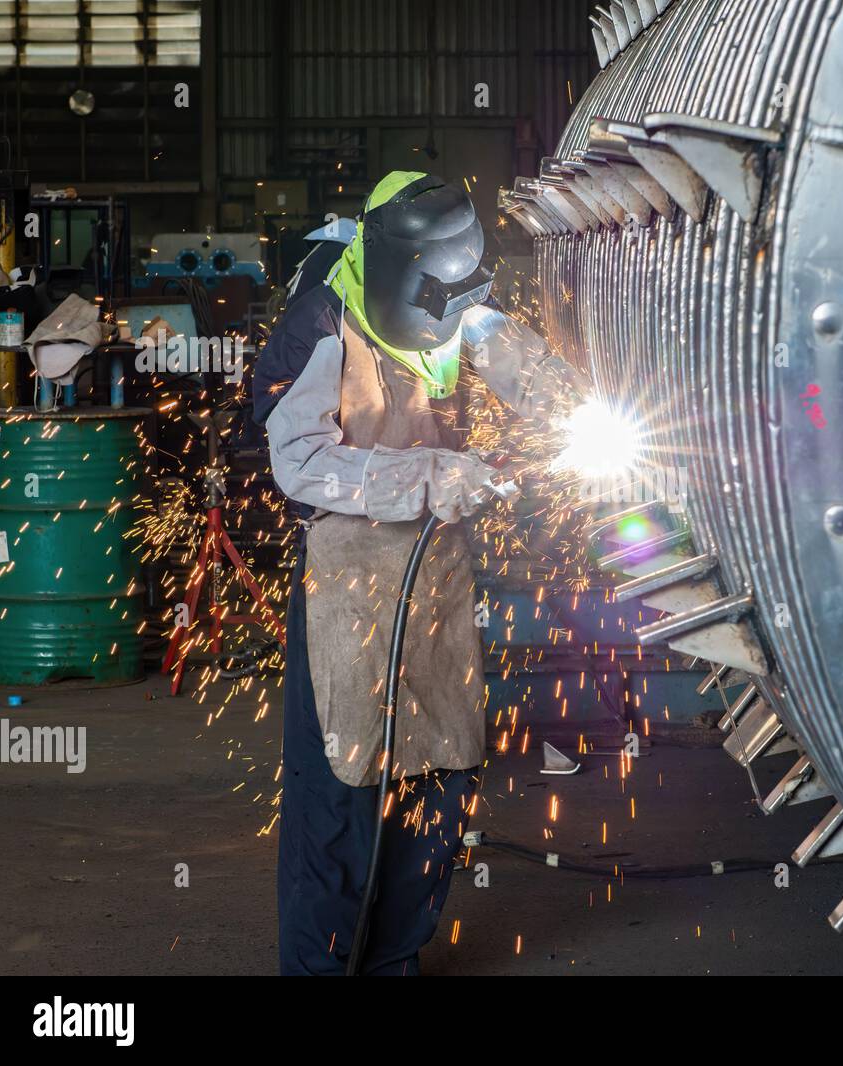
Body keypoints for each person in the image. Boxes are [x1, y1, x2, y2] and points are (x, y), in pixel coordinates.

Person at [253, 170, 583, 975]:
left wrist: (566, 406)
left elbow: (509, 353)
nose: (459, 311)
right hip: (350, 583)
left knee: (441, 777)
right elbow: (296, 461)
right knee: (346, 792)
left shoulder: (455, 297)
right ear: (401, 272)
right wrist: (424, 477)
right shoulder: (323, 321)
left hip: (437, 578)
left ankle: (396, 959)